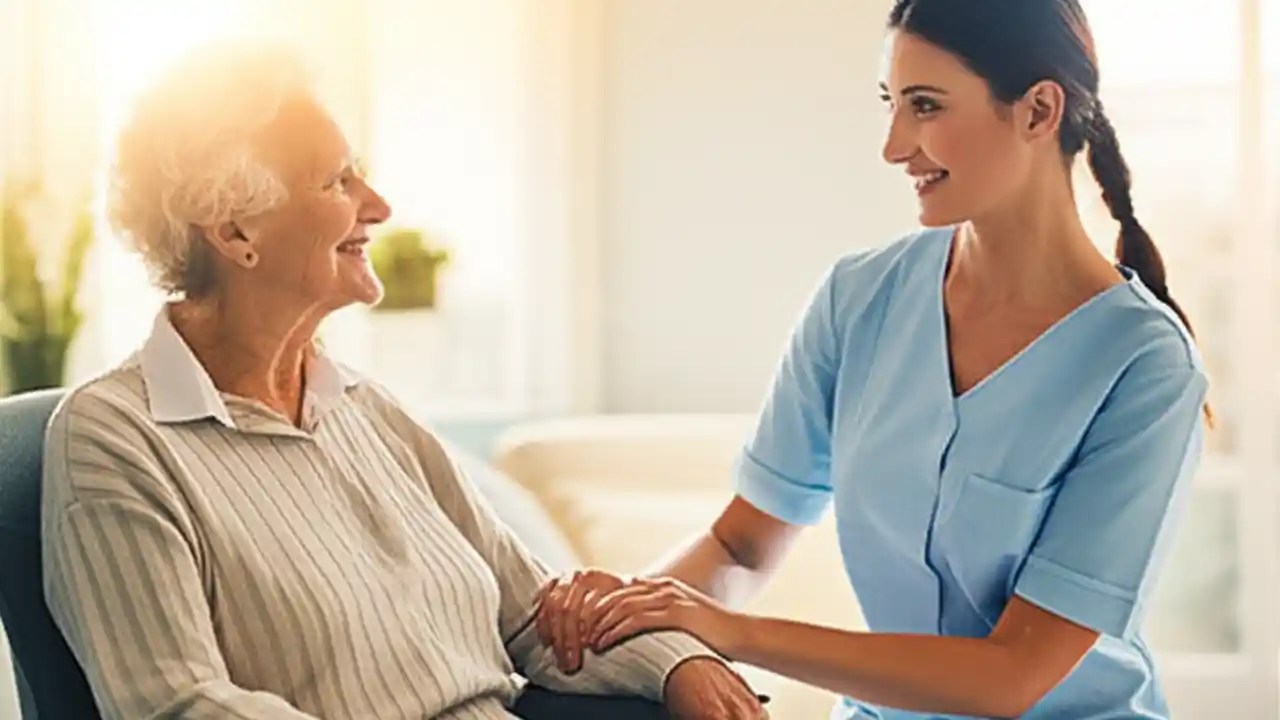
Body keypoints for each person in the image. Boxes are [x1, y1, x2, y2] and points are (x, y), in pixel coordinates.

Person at [41, 42, 766, 720]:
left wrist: (680, 668)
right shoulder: (116, 439)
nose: (378, 206)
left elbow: (535, 615)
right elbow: (180, 704)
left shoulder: (362, 406)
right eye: (337, 181)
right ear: (234, 233)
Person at [535, 2, 1209, 718]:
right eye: (892, 104)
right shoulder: (857, 300)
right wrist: (630, 626)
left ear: (1039, 111)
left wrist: (732, 633)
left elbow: (1012, 674)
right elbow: (739, 546)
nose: (894, 146)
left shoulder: (1145, 368)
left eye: (925, 106)